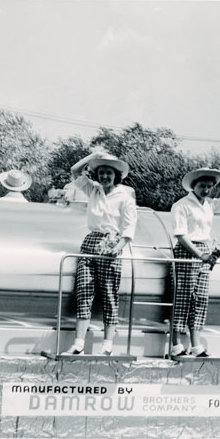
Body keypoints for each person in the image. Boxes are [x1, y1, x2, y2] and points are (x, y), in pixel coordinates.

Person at [62, 151, 137, 356]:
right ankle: (78, 344)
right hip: (91, 242)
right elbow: (74, 171)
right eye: (101, 172)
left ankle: (107, 345)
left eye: (109, 173)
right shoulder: (93, 190)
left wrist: (117, 248)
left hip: (112, 244)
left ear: (116, 175)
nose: (104, 176)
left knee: (109, 293)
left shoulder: (125, 197)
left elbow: (129, 229)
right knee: (84, 291)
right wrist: (94, 155)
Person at [169, 168, 220, 357]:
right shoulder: (181, 205)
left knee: (200, 298)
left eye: (209, 187)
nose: (206, 190)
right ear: (193, 186)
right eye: (202, 186)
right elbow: (181, 235)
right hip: (188, 251)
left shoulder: (210, 204)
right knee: (183, 296)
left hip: (205, 249)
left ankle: (196, 346)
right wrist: (199, 255)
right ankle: (176, 344)